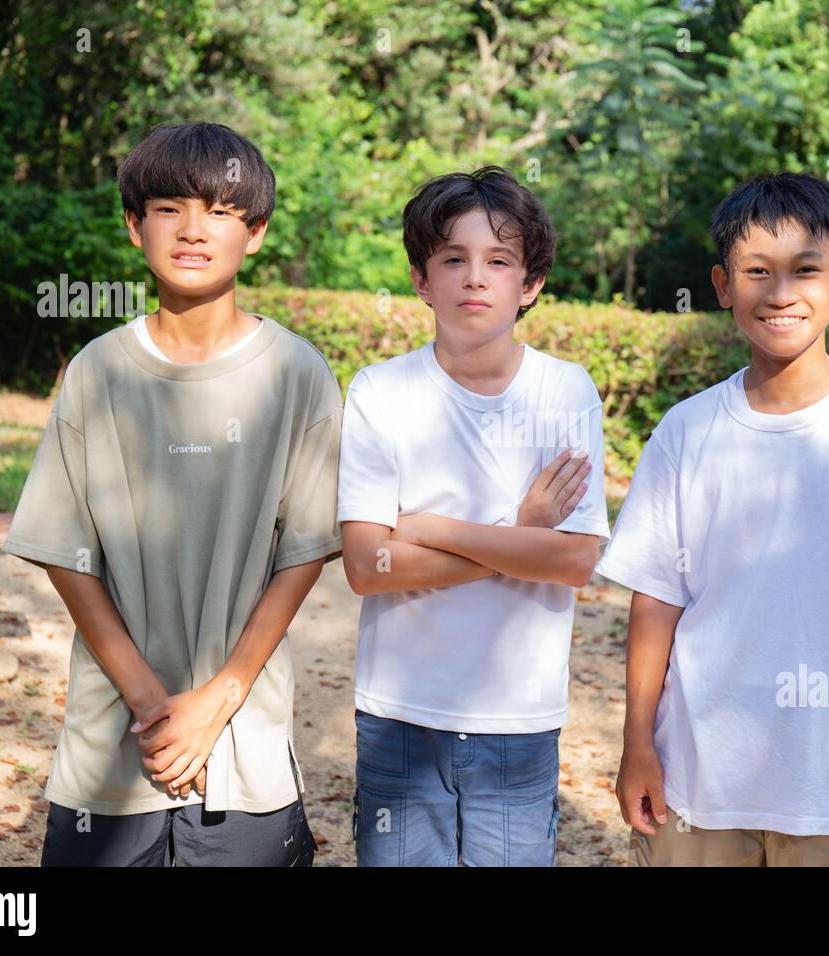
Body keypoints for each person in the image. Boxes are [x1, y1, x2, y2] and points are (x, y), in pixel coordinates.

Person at [597, 171, 829, 866]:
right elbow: (655, 602)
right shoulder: (685, 432)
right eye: (756, 272)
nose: (780, 294)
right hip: (698, 784)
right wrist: (638, 744)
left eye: (806, 270)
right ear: (721, 286)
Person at [2, 122, 341, 866]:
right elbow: (66, 552)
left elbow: (303, 554)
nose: (193, 229)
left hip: (242, 748)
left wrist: (217, 699)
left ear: (255, 233)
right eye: (168, 208)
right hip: (112, 747)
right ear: (134, 225)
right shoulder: (97, 372)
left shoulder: (297, 374)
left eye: (220, 211)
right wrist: (155, 706)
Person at [337, 165, 610, 866]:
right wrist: (523, 535)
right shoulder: (382, 391)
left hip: (517, 718)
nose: (475, 278)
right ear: (422, 279)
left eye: (499, 260)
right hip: (401, 713)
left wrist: (427, 528)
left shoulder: (564, 391)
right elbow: (370, 568)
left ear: (531, 284)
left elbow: (577, 560)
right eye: (452, 258)